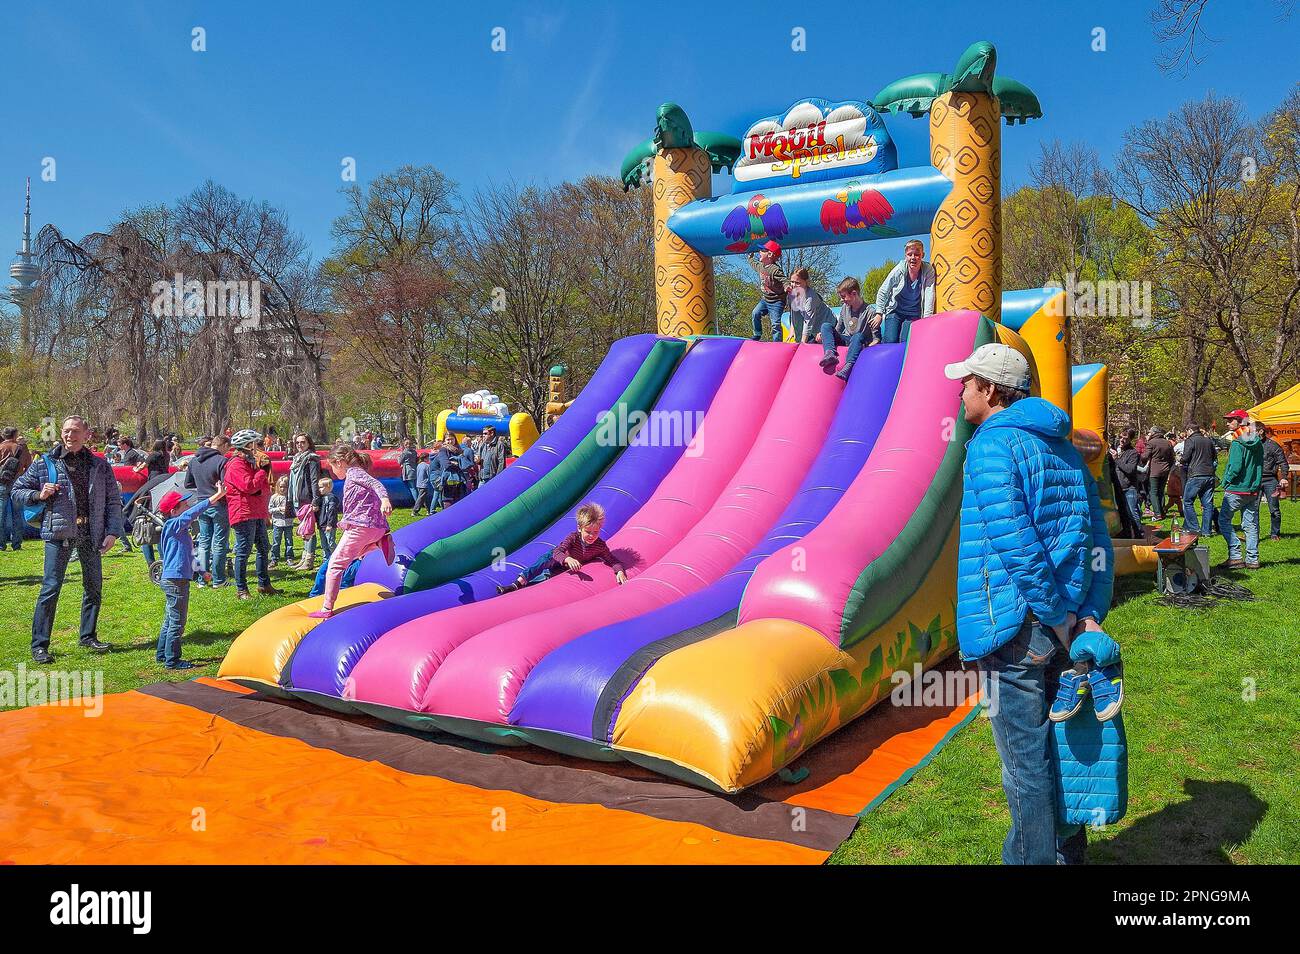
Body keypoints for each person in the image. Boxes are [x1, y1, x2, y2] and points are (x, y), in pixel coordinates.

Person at [943, 344, 1114, 865]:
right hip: (1060, 623)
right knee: (1061, 746)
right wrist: (1087, 613)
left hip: (1018, 627)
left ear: (991, 390)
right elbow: (1096, 539)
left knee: (1026, 764)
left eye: (967, 382)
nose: (960, 390)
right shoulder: (1063, 448)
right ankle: (1068, 856)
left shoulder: (991, 446)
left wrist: (1059, 615)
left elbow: (1017, 545)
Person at [12, 415, 124, 664]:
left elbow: (113, 501)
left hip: (91, 534)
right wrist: (37, 494)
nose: (69, 435)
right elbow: (17, 490)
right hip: (59, 534)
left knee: (93, 587)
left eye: (74, 431)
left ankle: (88, 636)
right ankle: (40, 645)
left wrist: (113, 531)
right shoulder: (46, 463)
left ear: (87, 435)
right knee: (50, 589)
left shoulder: (99, 465)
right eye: (65, 431)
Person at [307, 443, 392, 619]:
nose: (331, 471)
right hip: (376, 529)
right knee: (357, 553)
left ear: (339, 462)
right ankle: (377, 543)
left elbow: (376, 484)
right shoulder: (357, 473)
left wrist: (384, 500)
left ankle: (326, 608)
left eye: (331, 466)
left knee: (335, 564)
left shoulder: (354, 473)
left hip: (361, 526)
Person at [154, 483, 226, 670]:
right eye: (184, 505)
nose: (188, 507)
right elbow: (192, 513)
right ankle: (173, 660)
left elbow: (191, 555)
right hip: (176, 581)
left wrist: (203, 572)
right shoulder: (173, 525)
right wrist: (215, 497)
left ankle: (163, 654)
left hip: (174, 579)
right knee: (178, 622)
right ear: (174, 510)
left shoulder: (181, 531)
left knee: (170, 619)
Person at [496, 502, 627, 593]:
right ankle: (517, 583)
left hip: (565, 568)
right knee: (543, 561)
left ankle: (525, 587)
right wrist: (567, 559)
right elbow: (558, 551)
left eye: (596, 532)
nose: (592, 536)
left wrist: (619, 571)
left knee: (546, 579)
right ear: (579, 528)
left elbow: (612, 559)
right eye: (588, 531)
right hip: (558, 558)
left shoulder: (600, 545)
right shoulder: (573, 537)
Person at [225, 429, 278, 600]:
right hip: (243, 512)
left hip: (256, 511)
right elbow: (249, 486)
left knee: (263, 547)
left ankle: (264, 584)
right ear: (246, 446)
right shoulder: (236, 465)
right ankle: (241, 589)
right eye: (255, 445)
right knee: (243, 551)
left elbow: (261, 489)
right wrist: (262, 471)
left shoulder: (248, 463)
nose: (257, 448)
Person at [1217, 414, 1264, 570]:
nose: (1228, 423)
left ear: (1241, 422)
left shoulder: (1238, 442)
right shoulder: (1258, 442)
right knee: (1250, 525)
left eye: (1231, 420)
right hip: (1253, 489)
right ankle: (1252, 559)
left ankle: (1235, 556)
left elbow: (1235, 467)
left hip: (1236, 489)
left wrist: (1224, 482)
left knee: (1223, 520)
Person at [186, 433, 231, 587]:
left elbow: (188, 484)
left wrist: (201, 488)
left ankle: (202, 580)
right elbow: (226, 485)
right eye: (228, 448)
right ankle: (218, 579)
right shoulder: (222, 461)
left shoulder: (193, 461)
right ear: (223, 446)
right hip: (219, 504)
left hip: (201, 503)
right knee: (219, 542)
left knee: (204, 542)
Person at [816, 276, 879, 380]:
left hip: (859, 341)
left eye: (843, 296)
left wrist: (868, 349)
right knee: (825, 326)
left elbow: (876, 338)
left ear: (854, 294)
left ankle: (848, 366)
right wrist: (825, 336)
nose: (842, 300)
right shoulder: (845, 308)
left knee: (857, 336)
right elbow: (838, 330)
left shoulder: (869, 311)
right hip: (846, 339)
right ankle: (829, 353)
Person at [874, 239, 936, 344]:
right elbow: (883, 290)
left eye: (917, 254)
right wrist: (879, 313)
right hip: (896, 311)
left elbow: (929, 293)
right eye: (909, 254)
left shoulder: (927, 270)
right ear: (905, 256)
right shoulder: (899, 270)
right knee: (891, 340)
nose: (913, 258)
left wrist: (927, 318)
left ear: (923, 255)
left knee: (905, 341)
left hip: (913, 314)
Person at [287, 433, 321, 571]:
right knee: (304, 530)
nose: (300, 445)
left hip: (307, 497)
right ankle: (303, 558)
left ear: (309, 443)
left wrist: (315, 500)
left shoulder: (311, 459)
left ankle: (309, 559)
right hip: (297, 498)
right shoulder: (296, 459)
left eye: (303, 442)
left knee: (309, 530)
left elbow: (314, 479)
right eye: (298, 443)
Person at [1180, 423, 1218, 536]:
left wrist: (1181, 460)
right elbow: (1214, 456)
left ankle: (1193, 528)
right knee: (1207, 504)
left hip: (1196, 474)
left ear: (1190, 430)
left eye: (1187, 431)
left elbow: (1186, 457)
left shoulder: (1190, 441)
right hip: (1209, 474)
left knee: (1187, 501)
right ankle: (1206, 531)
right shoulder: (1208, 440)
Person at [0, 425, 33, 551]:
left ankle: (1, 544)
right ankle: (17, 544)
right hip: (17, 484)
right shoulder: (21, 448)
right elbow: (28, 466)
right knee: (17, 515)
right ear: (15, 435)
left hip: (1, 483)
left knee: (1, 514)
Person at [747, 240, 787, 342]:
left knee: (775, 323)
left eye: (762, 250)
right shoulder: (760, 266)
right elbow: (753, 264)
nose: (759, 252)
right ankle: (757, 334)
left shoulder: (775, 270)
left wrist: (787, 286)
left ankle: (777, 342)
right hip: (765, 299)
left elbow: (784, 279)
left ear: (770, 254)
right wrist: (750, 258)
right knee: (755, 313)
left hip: (777, 301)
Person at [785, 267, 833, 348]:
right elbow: (794, 314)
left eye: (797, 283)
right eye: (792, 282)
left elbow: (808, 322)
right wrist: (792, 331)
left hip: (827, 322)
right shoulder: (792, 295)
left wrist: (802, 343)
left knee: (811, 345)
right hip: (814, 326)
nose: (793, 285)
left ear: (806, 282)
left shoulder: (810, 298)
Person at [1111, 430, 1144, 538]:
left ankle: (1139, 535)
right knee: (1122, 513)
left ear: (1130, 440)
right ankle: (1127, 535)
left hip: (1129, 487)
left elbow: (1129, 469)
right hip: (1118, 487)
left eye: (1125, 438)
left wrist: (1117, 459)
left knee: (1132, 513)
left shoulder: (1133, 453)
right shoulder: (1116, 449)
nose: (1122, 440)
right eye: (1120, 437)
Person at [1140, 426, 1175, 519]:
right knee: (1161, 491)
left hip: (1154, 470)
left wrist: (1139, 456)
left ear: (1153, 433)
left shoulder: (1151, 442)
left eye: (1150, 432)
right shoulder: (1168, 443)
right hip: (1165, 470)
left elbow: (1145, 457)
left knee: (1153, 492)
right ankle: (1162, 512)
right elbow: (1172, 458)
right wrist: (1169, 467)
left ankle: (1157, 513)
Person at [1259, 426, 1287, 541]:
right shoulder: (1250, 445)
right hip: (1254, 480)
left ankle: (1275, 534)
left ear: (1260, 431)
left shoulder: (1273, 445)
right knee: (1252, 509)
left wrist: (1284, 477)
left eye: (1252, 431)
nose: (1248, 433)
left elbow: (1283, 462)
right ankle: (1252, 534)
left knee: (1274, 509)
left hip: (1270, 479)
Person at [268, 475, 296, 568]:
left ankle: (289, 557)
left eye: (285, 486)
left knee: (289, 541)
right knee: (276, 541)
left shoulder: (290, 498)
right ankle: (274, 558)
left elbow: (294, 510)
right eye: (281, 486)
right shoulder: (274, 497)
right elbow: (270, 509)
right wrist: (279, 509)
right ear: (277, 486)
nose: (283, 489)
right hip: (277, 523)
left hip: (288, 523)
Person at [314, 476, 340, 562]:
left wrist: (330, 524)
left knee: (331, 543)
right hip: (322, 524)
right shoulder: (321, 498)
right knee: (324, 544)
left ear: (328, 487)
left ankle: (336, 558)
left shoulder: (331, 498)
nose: (319, 489)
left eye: (321, 487)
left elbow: (331, 512)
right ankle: (326, 560)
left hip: (329, 525)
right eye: (319, 487)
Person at [399, 437, 419, 505]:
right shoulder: (414, 452)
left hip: (408, 470)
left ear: (405, 445)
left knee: (412, 488)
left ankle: (417, 503)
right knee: (415, 487)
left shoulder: (405, 453)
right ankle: (420, 501)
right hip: (414, 469)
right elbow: (416, 460)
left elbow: (400, 461)